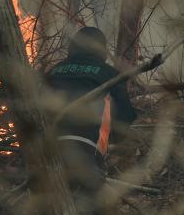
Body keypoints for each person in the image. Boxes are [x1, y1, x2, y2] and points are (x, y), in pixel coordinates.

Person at [45, 26, 138, 194]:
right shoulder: (111, 75)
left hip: (48, 150)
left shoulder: (53, 72)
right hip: (89, 152)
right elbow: (123, 124)